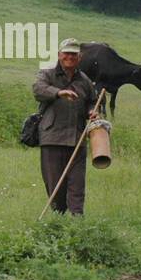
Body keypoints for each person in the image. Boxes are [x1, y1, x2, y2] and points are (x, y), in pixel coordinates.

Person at [32, 38, 99, 215]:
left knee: (77, 186)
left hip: (77, 140)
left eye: (73, 54)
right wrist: (59, 92)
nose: (69, 56)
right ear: (59, 55)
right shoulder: (47, 74)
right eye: (66, 53)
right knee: (55, 187)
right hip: (52, 138)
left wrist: (92, 111)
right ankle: (58, 221)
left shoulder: (84, 80)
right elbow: (38, 89)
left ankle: (78, 222)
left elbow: (92, 101)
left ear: (79, 57)